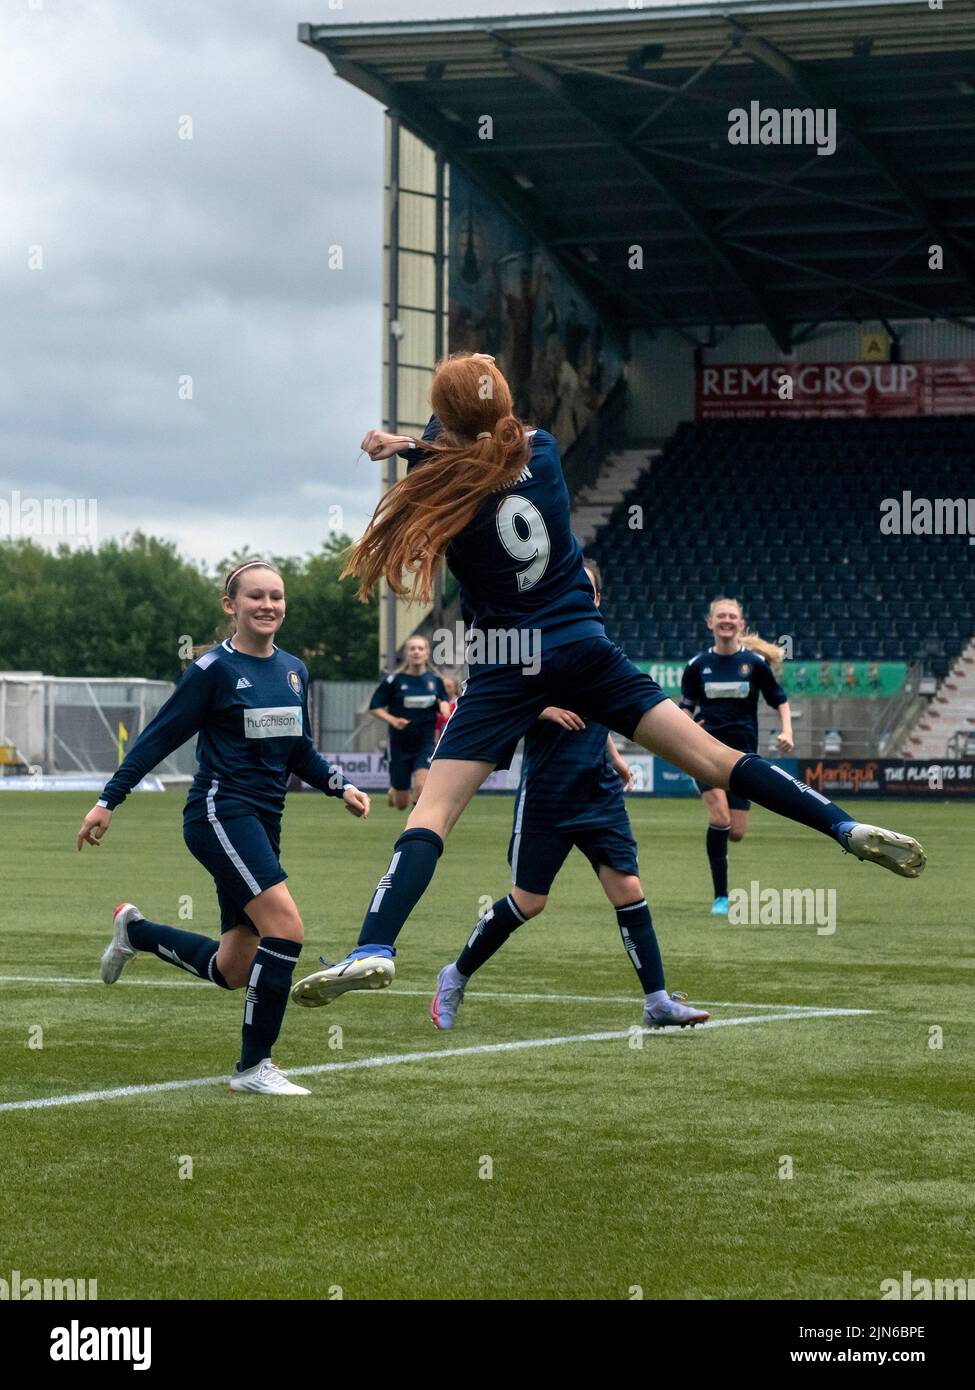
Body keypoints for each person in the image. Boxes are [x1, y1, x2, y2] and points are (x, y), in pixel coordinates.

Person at [289, 351, 925, 1012]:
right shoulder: (539, 448)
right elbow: (480, 434)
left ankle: (374, 946)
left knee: (434, 813)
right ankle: (842, 827)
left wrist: (399, 446)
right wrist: (417, 441)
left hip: (507, 665)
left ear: (443, 425)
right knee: (718, 759)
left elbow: (451, 451)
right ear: (503, 409)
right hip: (580, 646)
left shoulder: (438, 483)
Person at [76, 559, 371, 1095]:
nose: (268, 605)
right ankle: (254, 1068)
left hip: (264, 820)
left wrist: (337, 783)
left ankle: (134, 932)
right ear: (230, 606)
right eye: (255, 596)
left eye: (276, 597)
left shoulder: (294, 671)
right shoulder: (211, 670)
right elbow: (157, 738)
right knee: (287, 928)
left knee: (234, 969)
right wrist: (108, 799)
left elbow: (296, 747)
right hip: (219, 814)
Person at [430, 560, 708, 1031]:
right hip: (547, 794)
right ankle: (454, 975)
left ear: (595, 598)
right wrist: (541, 706)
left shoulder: (596, 648)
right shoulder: (528, 650)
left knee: (629, 891)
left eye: (588, 588)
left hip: (598, 793)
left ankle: (657, 1001)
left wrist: (616, 759)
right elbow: (485, 703)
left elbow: (604, 713)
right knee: (529, 901)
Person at [680, 598, 794, 917]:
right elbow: (684, 710)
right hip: (703, 752)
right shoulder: (697, 665)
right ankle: (720, 897)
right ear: (710, 623)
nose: (727, 621)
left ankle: (718, 853)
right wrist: (685, 730)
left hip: (742, 757)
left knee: (736, 832)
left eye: (732, 616)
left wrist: (788, 731)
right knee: (720, 818)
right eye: (721, 616)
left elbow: (779, 700)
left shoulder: (755, 664)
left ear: (741, 624)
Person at [368, 636, 451, 810]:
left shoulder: (434, 681)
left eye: (420, 648)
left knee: (421, 788)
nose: (416, 652)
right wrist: (393, 720)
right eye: (412, 648)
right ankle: (394, 792)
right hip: (399, 745)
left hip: (425, 742)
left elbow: (443, 699)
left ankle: (416, 830)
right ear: (406, 653)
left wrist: (444, 706)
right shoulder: (394, 681)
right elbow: (375, 707)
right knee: (401, 804)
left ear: (427, 653)